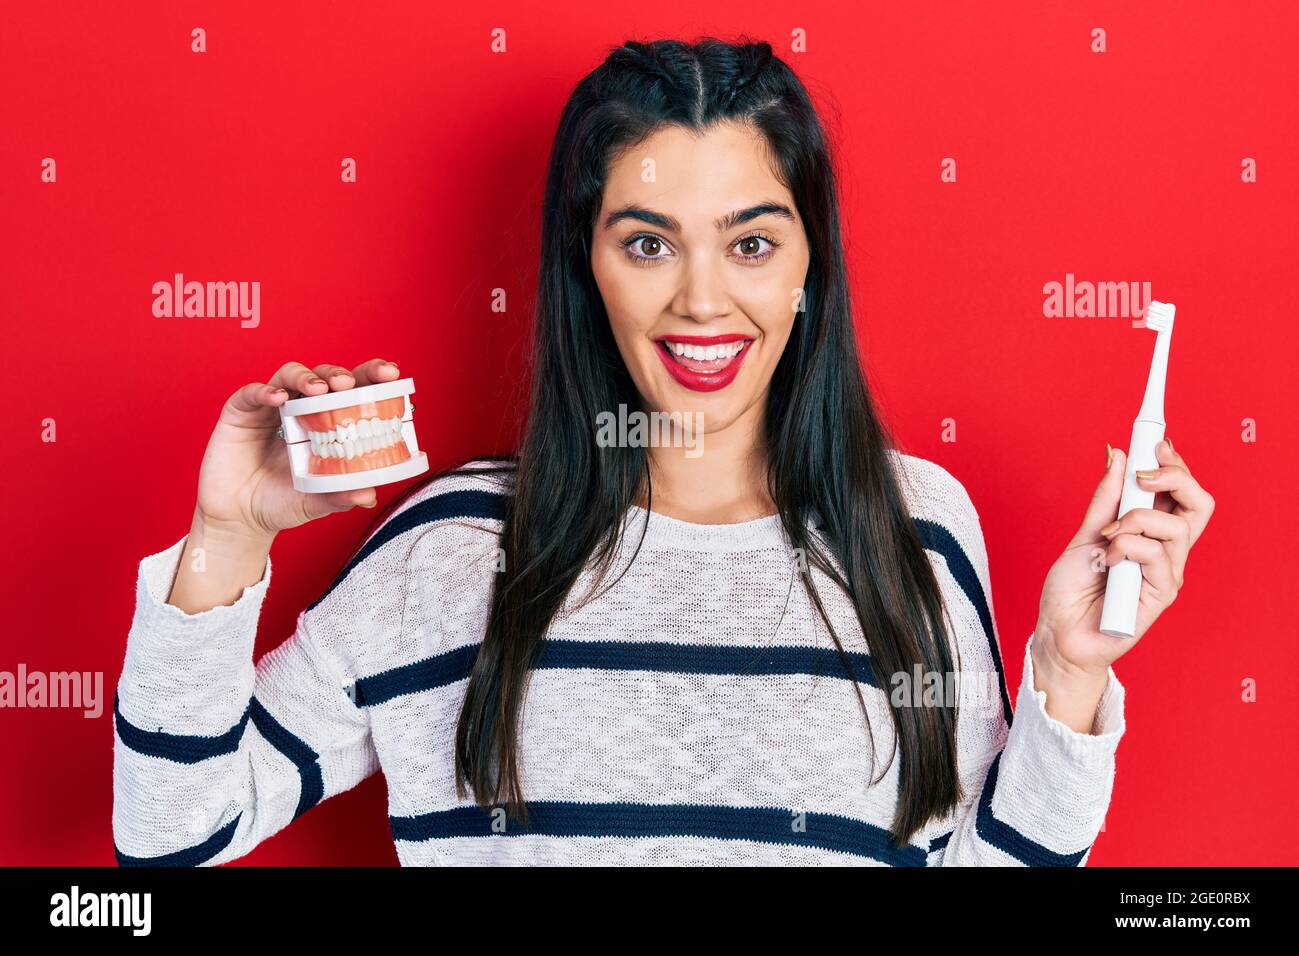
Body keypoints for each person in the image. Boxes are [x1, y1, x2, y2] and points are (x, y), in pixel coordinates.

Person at [112, 37, 1214, 866]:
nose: (701, 298)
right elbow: (169, 834)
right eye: (647, 242)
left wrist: (1071, 671)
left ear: (806, 270)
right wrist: (227, 535)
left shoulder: (914, 530)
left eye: (750, 242)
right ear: (585, 263)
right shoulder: (450, 549)